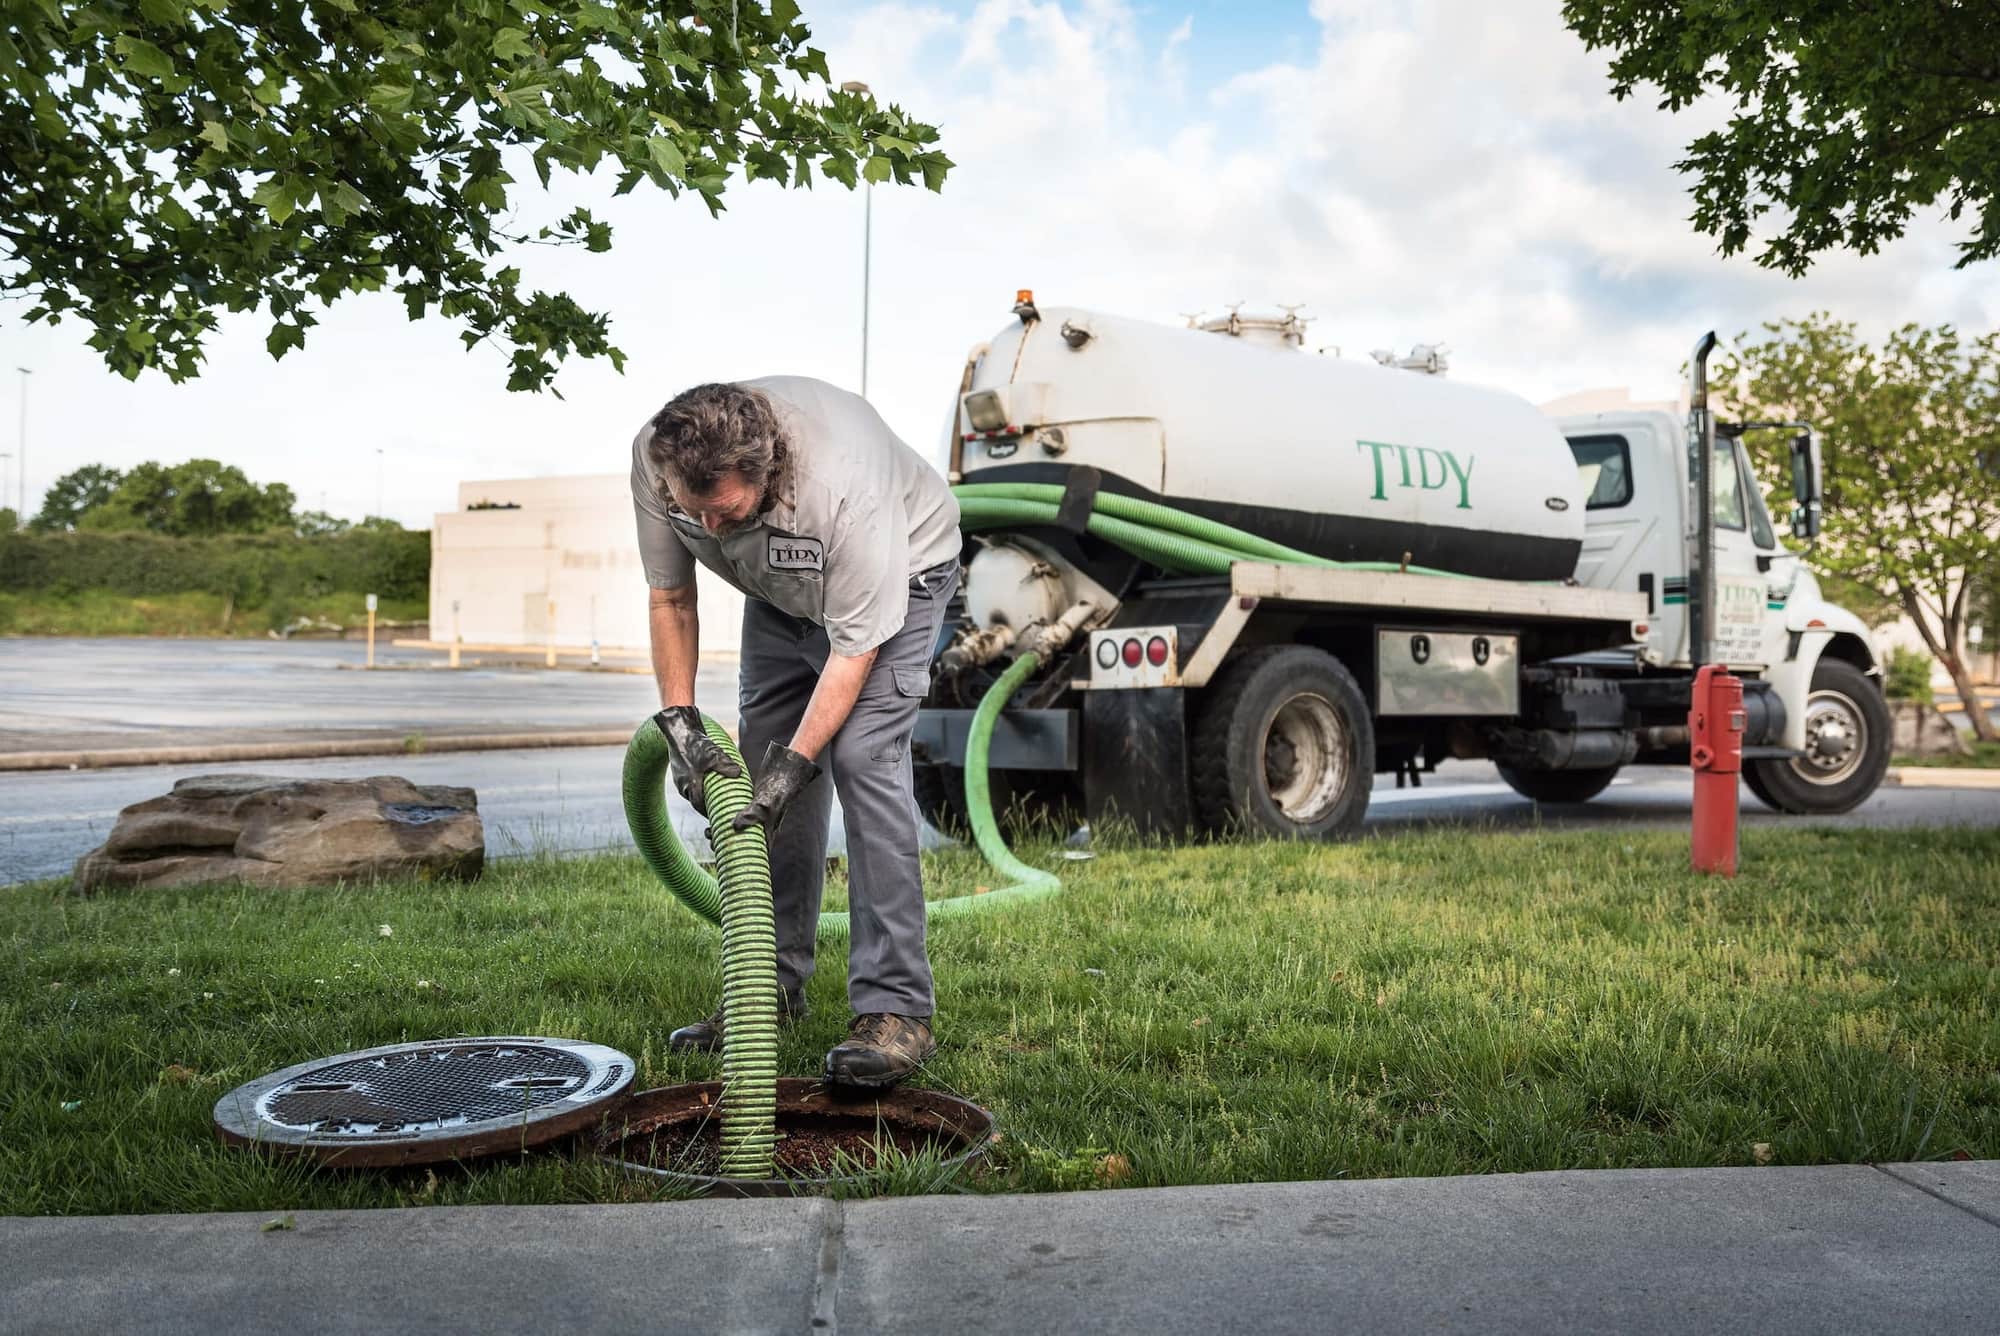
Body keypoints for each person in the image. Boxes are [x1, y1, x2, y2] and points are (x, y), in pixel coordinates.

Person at [631, 376, 961, 1088]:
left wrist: (797, 765)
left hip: (899, 577)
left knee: (863, 759)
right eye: (695, 513)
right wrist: (680, 723)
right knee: (757, 777)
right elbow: (671, 598)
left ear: (766, 470)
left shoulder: (842, 485)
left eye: (725, 512)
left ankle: (897, 1009)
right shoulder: (657, 459)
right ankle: (769, 989)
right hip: (781, 593)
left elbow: (854, 651)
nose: (710, 528)